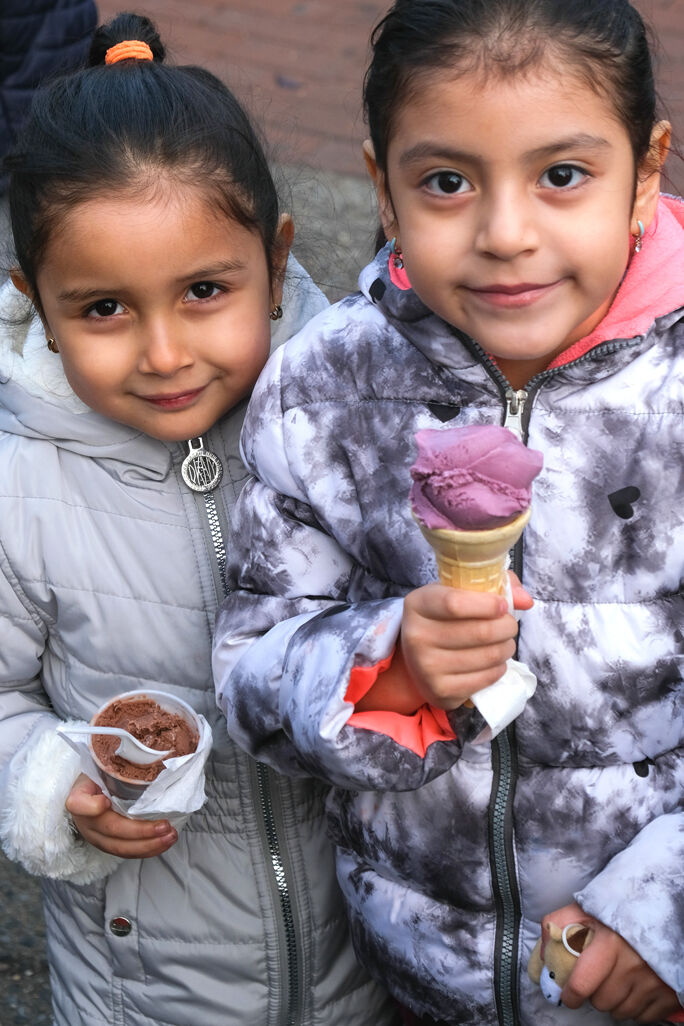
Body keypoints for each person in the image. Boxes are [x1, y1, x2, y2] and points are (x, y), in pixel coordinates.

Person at [212, 1, 684, 1024]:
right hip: (421, 973)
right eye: (446, 182)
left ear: (646, 171)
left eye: (563, 175)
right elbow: (251, 672)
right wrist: (388, 669)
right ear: (381, 186)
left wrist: (665, 917)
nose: (505, 234)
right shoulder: (320, 392)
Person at [0, 12, 399, 1026]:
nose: (165, 353)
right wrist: (51, 779)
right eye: (104, 309)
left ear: (276, 264)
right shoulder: (21, 487)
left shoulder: (347, 425)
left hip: (364, 962)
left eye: (205, 290)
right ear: (35, 304)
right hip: (142, 992)